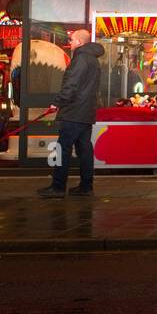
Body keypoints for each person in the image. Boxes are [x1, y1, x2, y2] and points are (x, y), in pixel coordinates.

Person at [38, 29, 104, 199]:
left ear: (80, 42)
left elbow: (71, 85)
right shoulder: (93, 60)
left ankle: (58, 186)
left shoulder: (80, 59)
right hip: (85, 112)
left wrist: (57, 102)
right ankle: (86, 186)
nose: (70, 43)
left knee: (62, 149)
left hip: (73, 112)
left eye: (72, 40)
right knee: (84, 149)